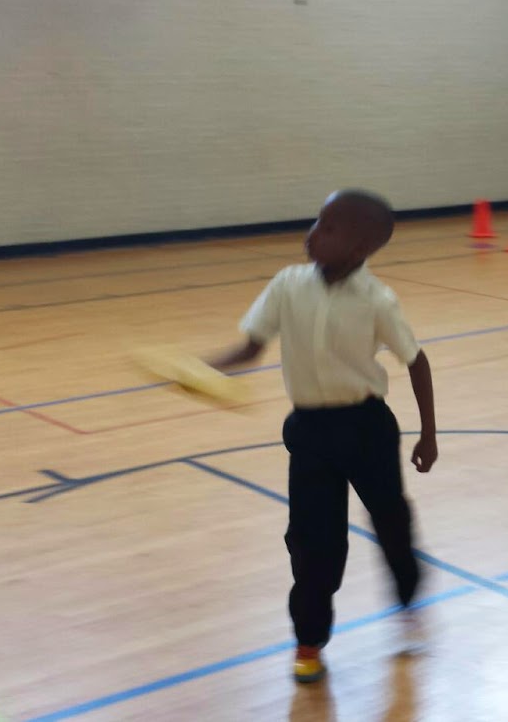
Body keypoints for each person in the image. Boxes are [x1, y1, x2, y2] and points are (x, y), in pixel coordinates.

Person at [209, 189, 438, 685]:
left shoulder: (377, 299)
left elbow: (416, 361)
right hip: (310, 433)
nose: (313, 232)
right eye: (318, 220)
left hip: (367, 429)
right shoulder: (288, 284)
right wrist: (204, 367)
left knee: (391, 523)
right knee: (313, 542)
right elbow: (250, 347)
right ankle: (308, 639)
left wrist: (429, 435)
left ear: (358, 249)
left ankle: (408, 599)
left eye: (329, 227)